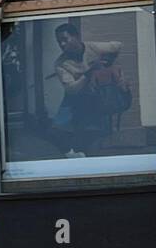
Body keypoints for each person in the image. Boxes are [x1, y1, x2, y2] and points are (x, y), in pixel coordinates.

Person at [51, 23, 129, 158]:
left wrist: (108, 63)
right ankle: (73, 155)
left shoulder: (92, 47)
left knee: (93, 135)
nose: (62, 44)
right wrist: (89, 72)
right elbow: (71, 89)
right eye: (59, 42)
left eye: (65, 39)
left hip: (97, 96)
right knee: (57, 130)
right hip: (75, 97)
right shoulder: (60, 63)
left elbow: (118, 45)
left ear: (76, 37)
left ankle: (89, 157)